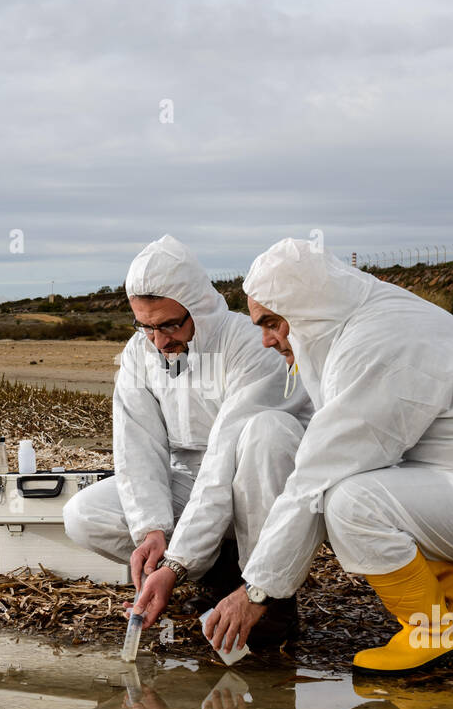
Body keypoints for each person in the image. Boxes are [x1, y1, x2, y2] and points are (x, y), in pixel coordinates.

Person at [204, 238, 453, 674]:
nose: (265, 340)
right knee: (347, 488)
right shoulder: (365, 319)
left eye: (273, 323)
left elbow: (317, 475)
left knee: (348, 501)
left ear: (306, 309)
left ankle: (429, 633)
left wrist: (257, 591)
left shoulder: (377, 344)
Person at [63, 235, 312, 643]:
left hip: (260, 482)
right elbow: (137, 448)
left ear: (200, 309)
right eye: (146, 327)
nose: (160, 341)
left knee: (268, 432)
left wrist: (177, 564)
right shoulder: (139, 353)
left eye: (170, 325)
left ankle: (267, 595)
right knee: (84, 515)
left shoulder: (250, 345)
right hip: (192, 486)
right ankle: (220, 581)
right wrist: (152, 532)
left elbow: (222, 461)